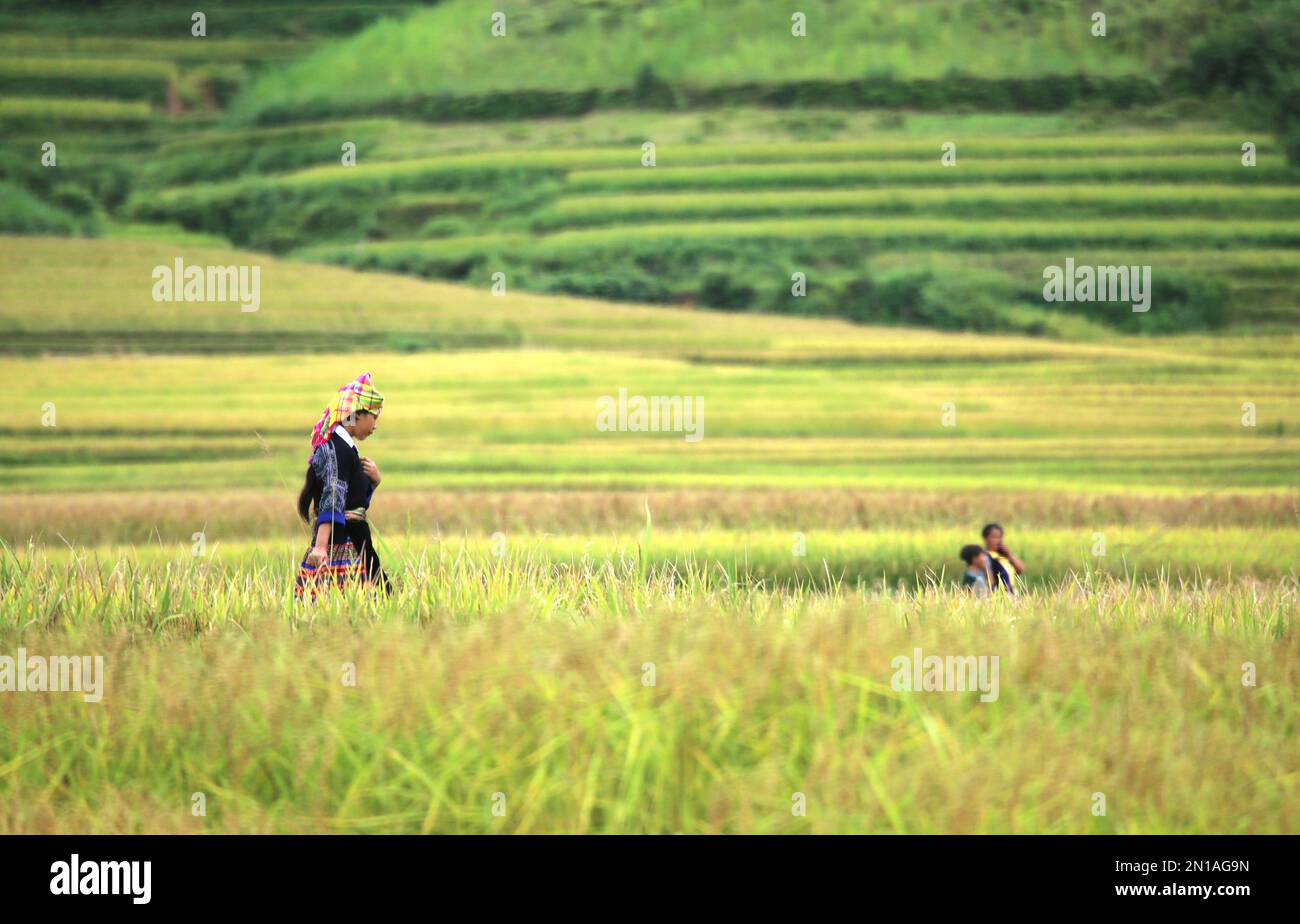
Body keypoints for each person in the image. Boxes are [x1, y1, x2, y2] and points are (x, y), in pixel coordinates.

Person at [295, 373, 389, 598]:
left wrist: (374, 481)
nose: (375, 425)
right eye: (373, 417)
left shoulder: (344, 448)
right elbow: (333, 496)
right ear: (355, 415)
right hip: (341, 541)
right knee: (350, 601)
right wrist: (320, 546)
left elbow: (351, 500)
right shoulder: (337, 449)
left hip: (355, 538)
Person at [981, 523, 1024, 594]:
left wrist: (1009, 555)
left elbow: (1020, 570)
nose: (998, 540)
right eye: (994, 537)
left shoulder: (1004, 555)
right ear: (985, 538)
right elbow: (989, 580)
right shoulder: (984, 556)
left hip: (1012, 594)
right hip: (998, 596)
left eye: (1000, 537)